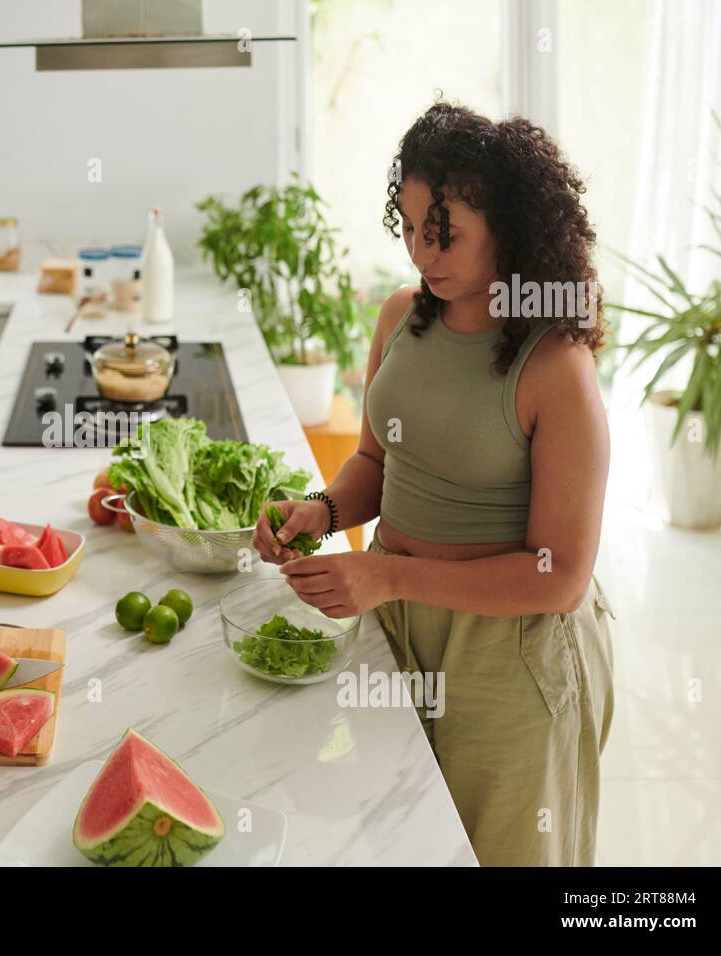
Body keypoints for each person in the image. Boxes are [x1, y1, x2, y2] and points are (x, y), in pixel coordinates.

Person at [255, 101, 617, 866]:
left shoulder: (556, 366)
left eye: (444, 227)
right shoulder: (400, 318)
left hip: (509, 658)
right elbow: (379, 467)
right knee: (404, 845)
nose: (424, 250)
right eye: (413, 226)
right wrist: (317, 512)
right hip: (400, 625)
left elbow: (562, 579)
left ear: (509, 222)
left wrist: (385, 573)